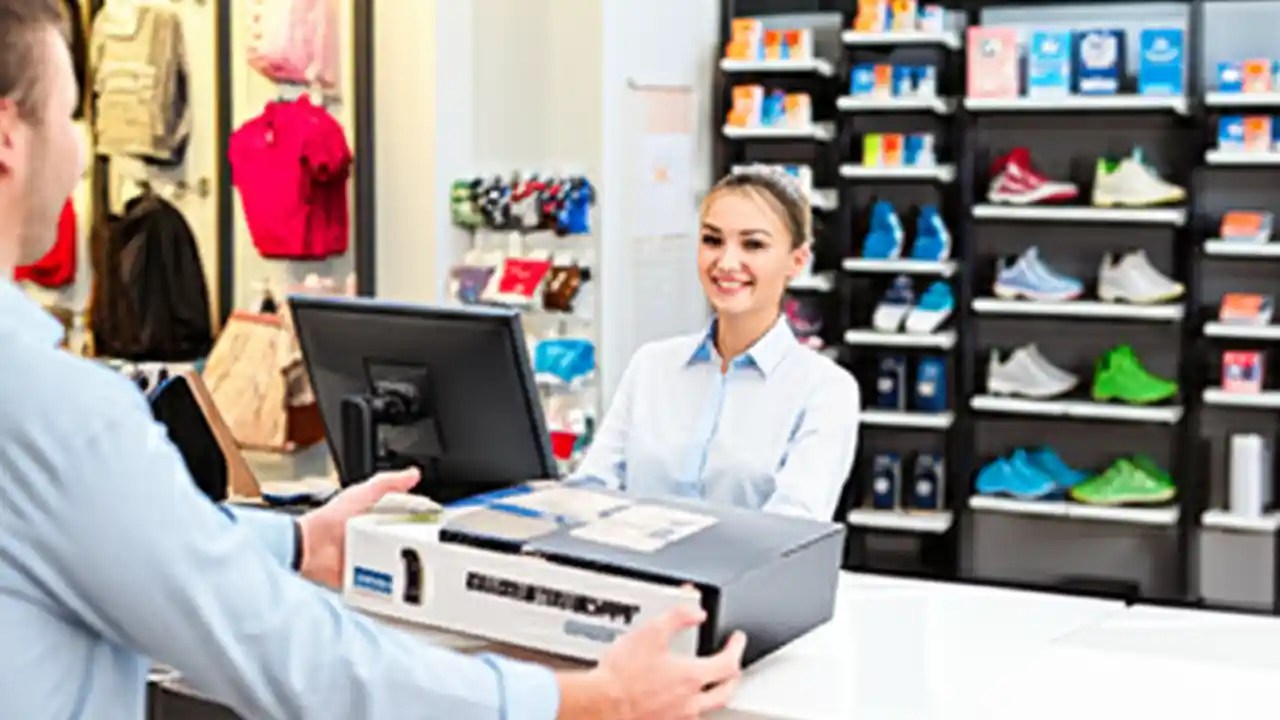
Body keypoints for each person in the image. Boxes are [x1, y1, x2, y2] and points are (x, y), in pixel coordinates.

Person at [0, 2, 745, 719]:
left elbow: (139, 544)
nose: (78, 152)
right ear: (8, 136)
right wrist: (592, 701)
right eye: (69, 115)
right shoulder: (57, 410)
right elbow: (298, 662)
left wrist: (300, 539)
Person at [572, 168, 860, 520]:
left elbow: (791, 528)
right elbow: (590, 490)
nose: (726, 262)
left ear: (796, 261)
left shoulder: (825, 390)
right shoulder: (651, 366)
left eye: (753, 244)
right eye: (712, 240)